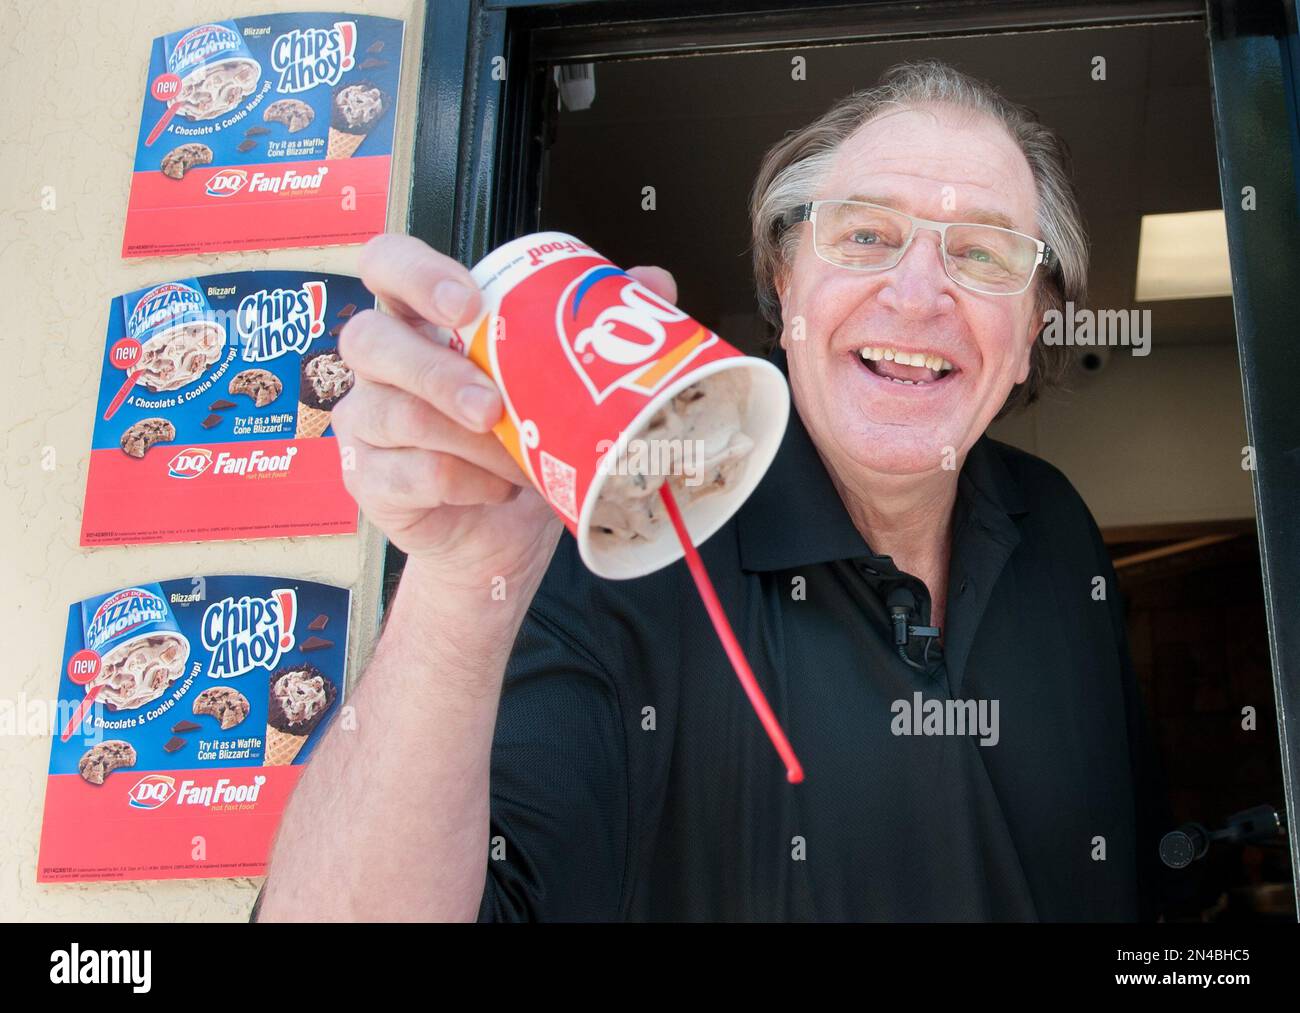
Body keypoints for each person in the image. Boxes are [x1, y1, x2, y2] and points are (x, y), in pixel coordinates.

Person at [257, 60, 1171, 921]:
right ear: (786, 282)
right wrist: (460, 585)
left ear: (1029, 333)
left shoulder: (1053, 523)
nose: (918, 291)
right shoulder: (619, 559)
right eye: (864, 235)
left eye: (981, 253)